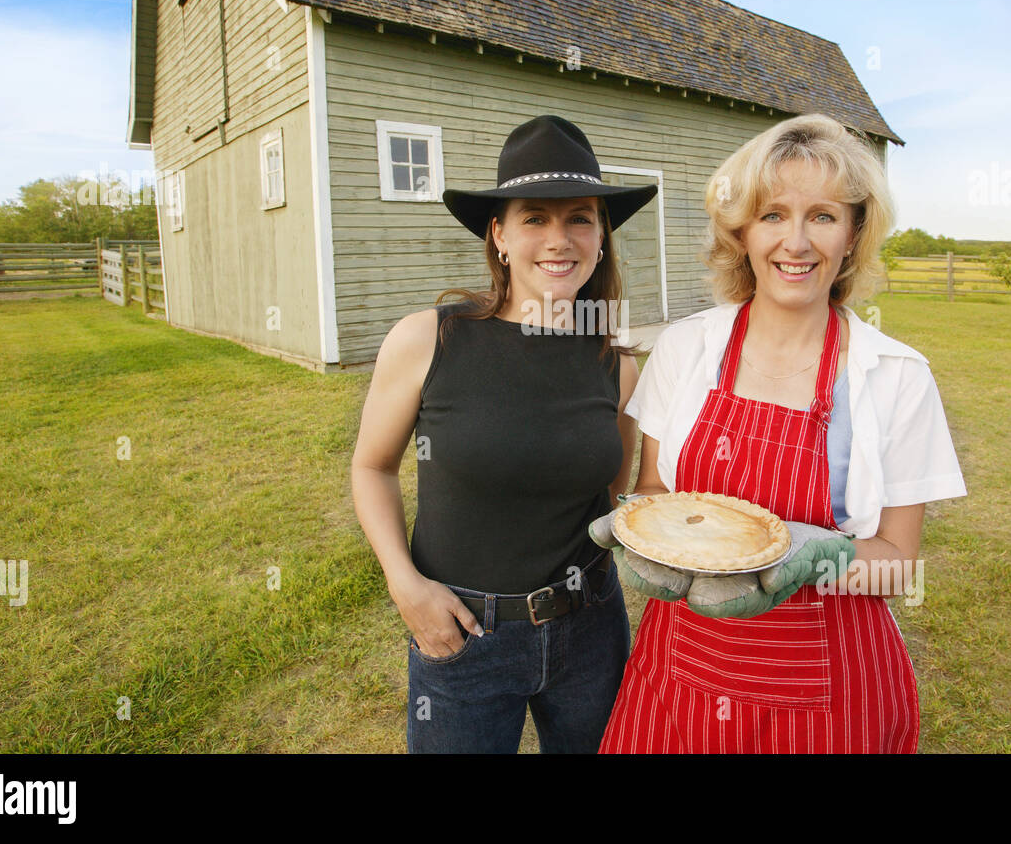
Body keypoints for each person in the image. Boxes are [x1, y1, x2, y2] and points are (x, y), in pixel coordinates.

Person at [594, 113, 967, 753]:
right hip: (684, 673)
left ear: (853, 234)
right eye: (772, 215)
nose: (795, 241)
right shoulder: (686, 348)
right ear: (741, 231)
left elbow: (897, 566)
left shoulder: (896, 377)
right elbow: (653, 491)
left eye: (823, 216)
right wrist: (645, 539)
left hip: (827, 693)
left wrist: (816, 558)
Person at [350, 115, 657, 753]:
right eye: (534, 217)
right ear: (499, 234)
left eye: (579, 217)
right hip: (464, 635)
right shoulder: (427, 340)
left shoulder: (616, 361)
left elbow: (608, 494)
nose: (559, 238)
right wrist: (406, 587)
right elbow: (371, 468)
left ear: (601, 235)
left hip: (591, 628)